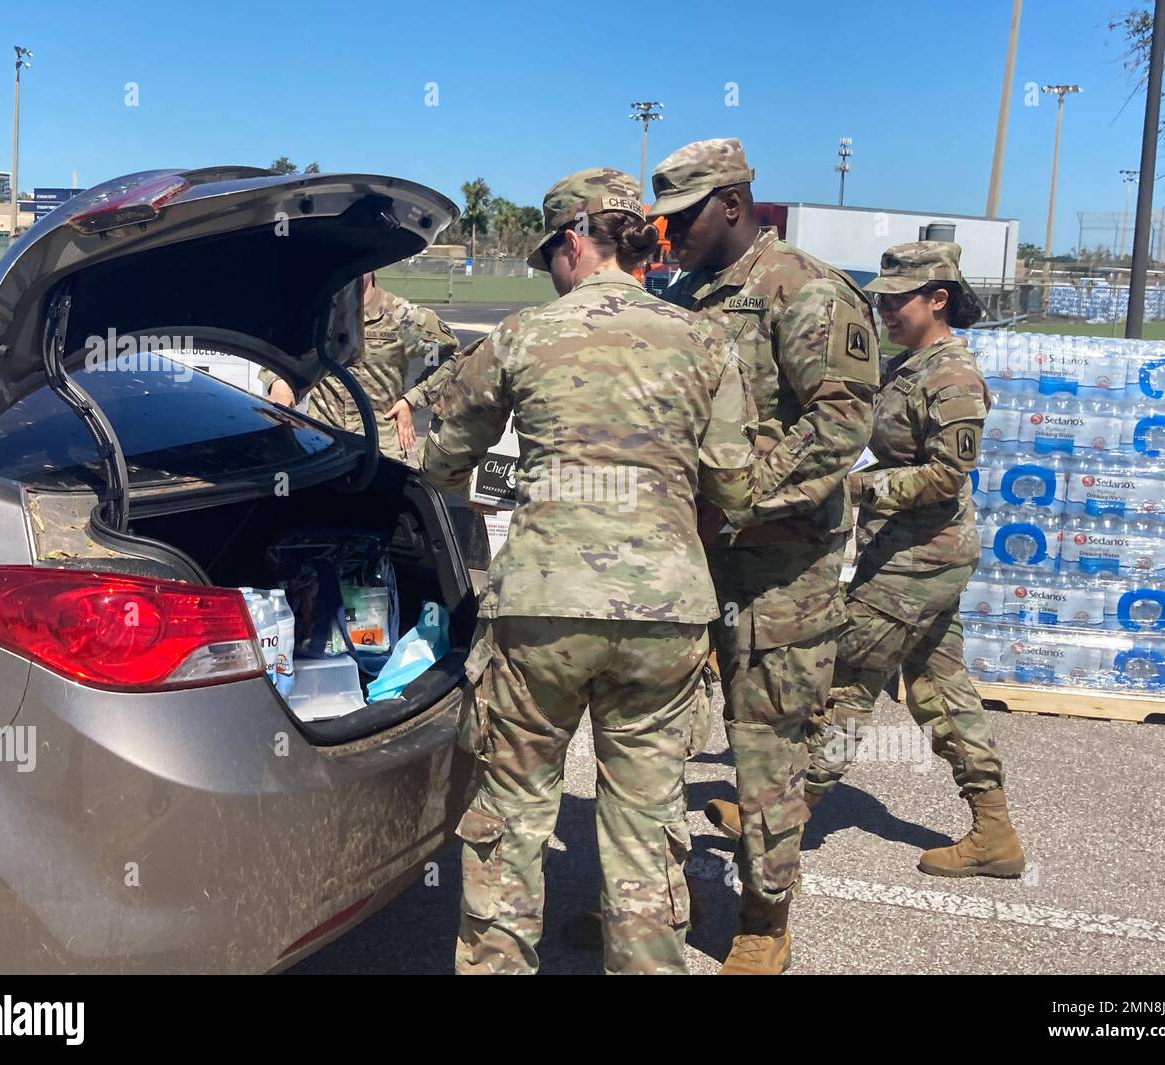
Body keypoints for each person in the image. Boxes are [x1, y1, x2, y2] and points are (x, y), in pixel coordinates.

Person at [421, 168, 758, 975]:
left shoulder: (523, 335)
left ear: (574, 240)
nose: (550, 271)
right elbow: (738, 488)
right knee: (646, 832)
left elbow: (443, 458)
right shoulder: (706, 340)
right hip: (667, 615)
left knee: (510, 820)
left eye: (549, 255)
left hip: (541, 608)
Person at [648, 138, 877, 974]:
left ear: (733, 205)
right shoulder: (685, 296)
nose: (670, 233)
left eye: (684, 217)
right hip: (690, 557)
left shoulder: (806, 291)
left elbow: (839, 426)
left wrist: (735, 500)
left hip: (778, 569)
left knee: (765, 744)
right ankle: (653, 902)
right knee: (658, 733)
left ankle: (764, 918)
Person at [806, 241, 1026, 878]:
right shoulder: (907, 366)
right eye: (882, 299)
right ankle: (994, 834)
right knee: (941, 688)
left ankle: (786, 811)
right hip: (904, 550)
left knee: (847, 674)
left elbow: (947, 475)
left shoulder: (952, 376)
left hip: (923, 557)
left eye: (898, 299)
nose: (885, 310)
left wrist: (855, 488)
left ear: (938, 300)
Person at [265, 271, 458, 462]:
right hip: (322, 440)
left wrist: (412, 400)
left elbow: (447, 356)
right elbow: (279, 350)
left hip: (380, 443)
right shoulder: (317, 315)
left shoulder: (402, 317)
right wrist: (280, 381)